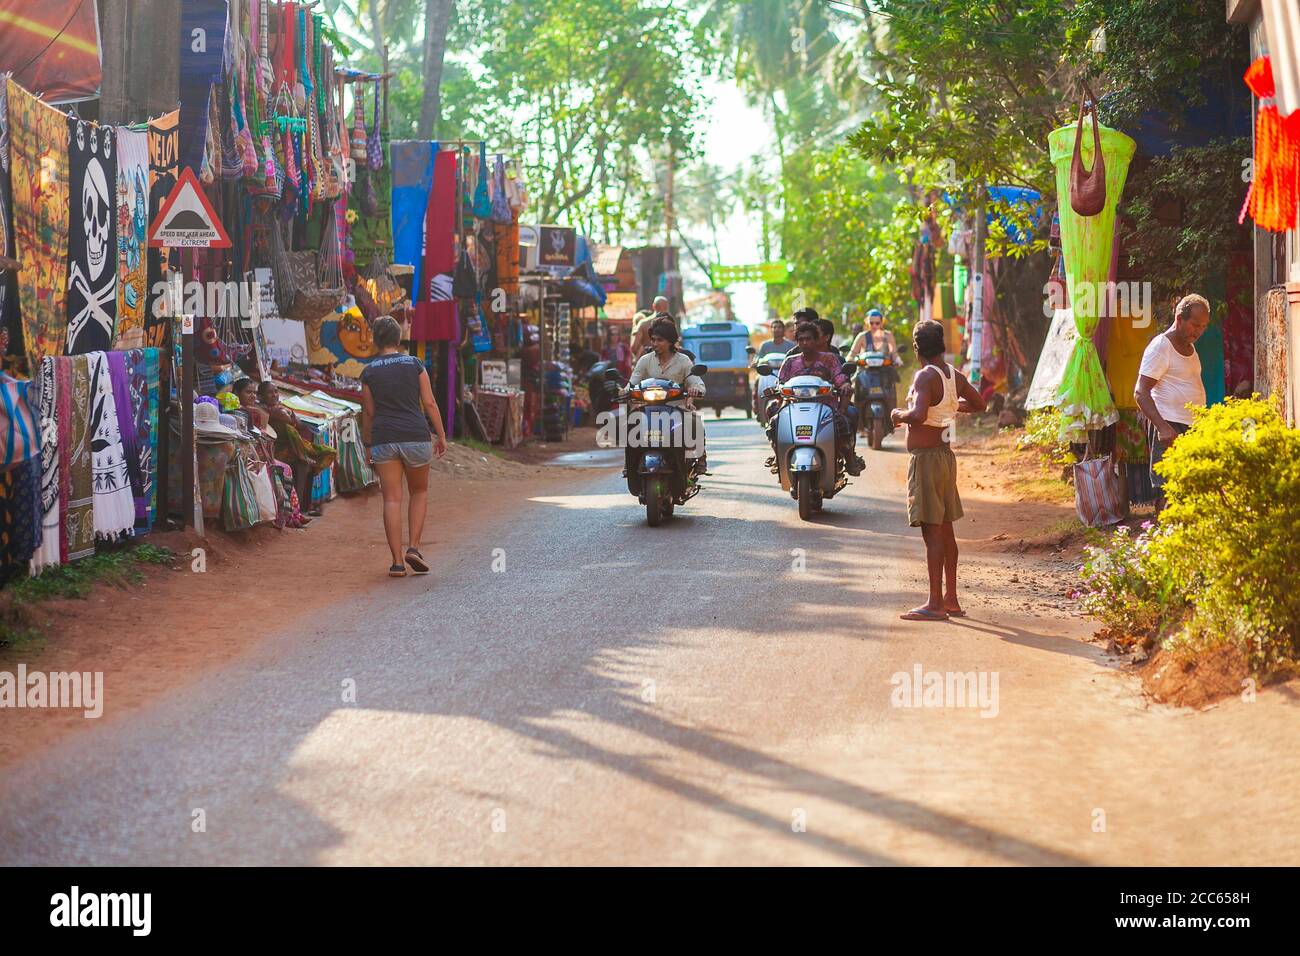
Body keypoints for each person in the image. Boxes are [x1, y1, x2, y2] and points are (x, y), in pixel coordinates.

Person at [890, 319, 985, 622]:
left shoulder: (923, 376)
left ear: (917, 348)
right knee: (946, 531)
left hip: (927, 460)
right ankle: (951, 599)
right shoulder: (952, 375)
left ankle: (935, 604)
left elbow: (918, 415)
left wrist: (898, 415)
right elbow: (979, 403)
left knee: (932, 533)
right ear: (941, 346)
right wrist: (953, 408)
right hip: (945, 457)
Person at [358, 316, 449, 578]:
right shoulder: (415, 364)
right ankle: (414, 548)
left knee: (391, 499)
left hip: (384, 438)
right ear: (399, 339)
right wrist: (441, 435)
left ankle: (397, 563)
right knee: (418, 492)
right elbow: (429, 403)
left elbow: (369, 413)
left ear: (375, 340)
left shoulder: (369, 372)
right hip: (415, 435)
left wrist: (367, 444)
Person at [1135, 294, 1209, 504]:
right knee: (1168, 492)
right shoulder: (1161, 346)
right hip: (1170, 427)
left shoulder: (1191, 348)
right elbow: (1140, 392)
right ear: (1179, 318)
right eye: (1195, 325)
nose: (1199, 331)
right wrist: (1163, 427)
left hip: (1190, 427)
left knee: (1189, 492)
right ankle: (1162, 536)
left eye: (1203, 326)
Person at [777, 321, 865, 476]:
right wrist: (776, 390)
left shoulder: (830, 359)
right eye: (801, 339)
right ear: (797, 341)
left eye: (809, 339)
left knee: (844, 424)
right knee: (773, 425)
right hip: (794, 409)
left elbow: (840, 377)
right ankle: (778, 458)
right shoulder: (790, 362)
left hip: (826, 410)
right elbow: (780, 383)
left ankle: (849, 458)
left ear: (816, 340)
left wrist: (844, 385)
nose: (805, 342)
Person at [626, 318, 707, 472]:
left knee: (694, 420)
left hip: (677, 410)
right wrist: (623, 391)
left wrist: (695, 389)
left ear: (670, 341)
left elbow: (696, 382)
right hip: (648, 409)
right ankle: (629, 463)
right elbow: (632, 382)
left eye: (660, 340)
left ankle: (700, 458)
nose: (655, 344)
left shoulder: (683, 361)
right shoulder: (645, 360)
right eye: (653, 340)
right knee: (630, 424)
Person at [257, 380, 337, 518]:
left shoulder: (280, 408)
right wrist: (289, 416)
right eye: (270, 393)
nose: (275, 395)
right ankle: (297, 511)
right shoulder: (263, 409)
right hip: (275, 451)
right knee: (303, 464)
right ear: (261, 396)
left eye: (276, 392)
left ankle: (304, 507)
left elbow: (298, 423)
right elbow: (290, 420)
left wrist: (290, 416)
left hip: (290, 449)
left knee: (311, 461)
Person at [849, 308, 902, 435]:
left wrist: (898, 360)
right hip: (865, 372)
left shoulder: (888, 335)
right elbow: (852, 354)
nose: (874, 326)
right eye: (871, 323)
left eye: (877, 323)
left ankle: (893, 419)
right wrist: (851, 360)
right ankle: (857, 422)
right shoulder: (862, 336)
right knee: (853, 389)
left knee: (891, 392)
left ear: (882, 323)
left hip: (885, 372)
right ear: (867, 323)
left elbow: (894, 353)